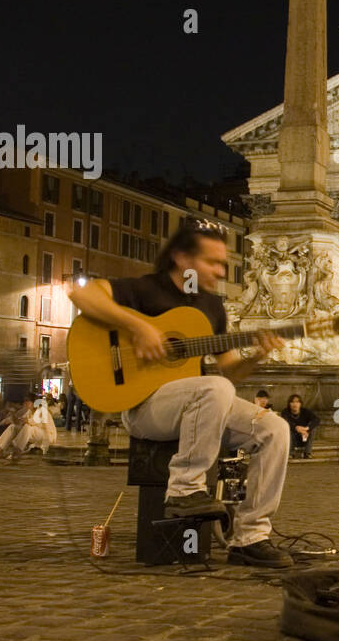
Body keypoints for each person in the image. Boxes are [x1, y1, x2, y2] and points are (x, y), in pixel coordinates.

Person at [68, 220, 293, 568]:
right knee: (215, 388)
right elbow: (81, 295)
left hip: (200, 405)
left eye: (223, 263)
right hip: (144, 409)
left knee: (274, 429)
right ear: (181, 257)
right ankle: (184, 489)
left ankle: (250, 537)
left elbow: (230, 369)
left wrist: (259, 354)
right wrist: (139, 327)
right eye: (212, 262)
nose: (221, 271)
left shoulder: (212, 308)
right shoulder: (146, 290)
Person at [280, 394, 319, 459]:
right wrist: (296, 428)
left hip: (304, 437)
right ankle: (291, 453)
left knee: (314, 428)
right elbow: (285, 422)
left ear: (300, 404)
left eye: (297, 402)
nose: (295, 404)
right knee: (287, 428)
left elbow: (317, 420)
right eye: (292, 402)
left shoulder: (305, 411)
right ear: (289, 404)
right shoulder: (285, 412)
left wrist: (306, 429)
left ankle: (307, 453)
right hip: (292, 439)